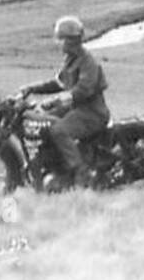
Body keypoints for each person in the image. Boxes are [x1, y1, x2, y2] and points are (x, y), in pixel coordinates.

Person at [20, 16, 111, 188]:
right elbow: (58, 83)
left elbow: (84, 89)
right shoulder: (71, 59)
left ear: (71, 41)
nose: (58, 44)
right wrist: (31, 88)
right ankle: (54, 166)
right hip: (77, 109)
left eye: (61, 39)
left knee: (59, 130)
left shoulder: (88, 62)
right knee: (43, 120)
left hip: (92, 113)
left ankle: (81, 174)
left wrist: (57, 100)